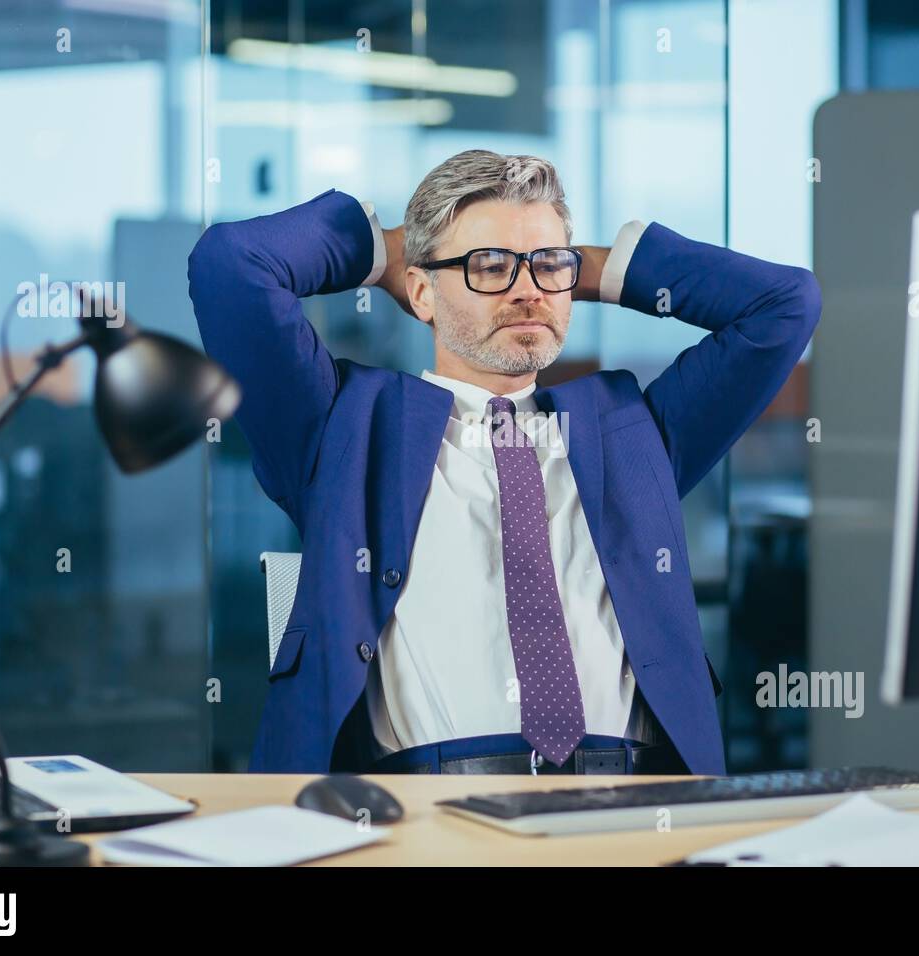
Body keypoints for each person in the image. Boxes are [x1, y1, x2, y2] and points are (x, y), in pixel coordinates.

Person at [188, 149, 821, 775]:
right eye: (490, 265)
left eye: (548, 264)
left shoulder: (628, 430)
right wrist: (380, 250)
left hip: (629, 808)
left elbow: (785, 305)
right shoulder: (345, 425)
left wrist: (587, 271)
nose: (526, 292)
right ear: (421, 293)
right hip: (424, 818)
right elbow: (231, 268)